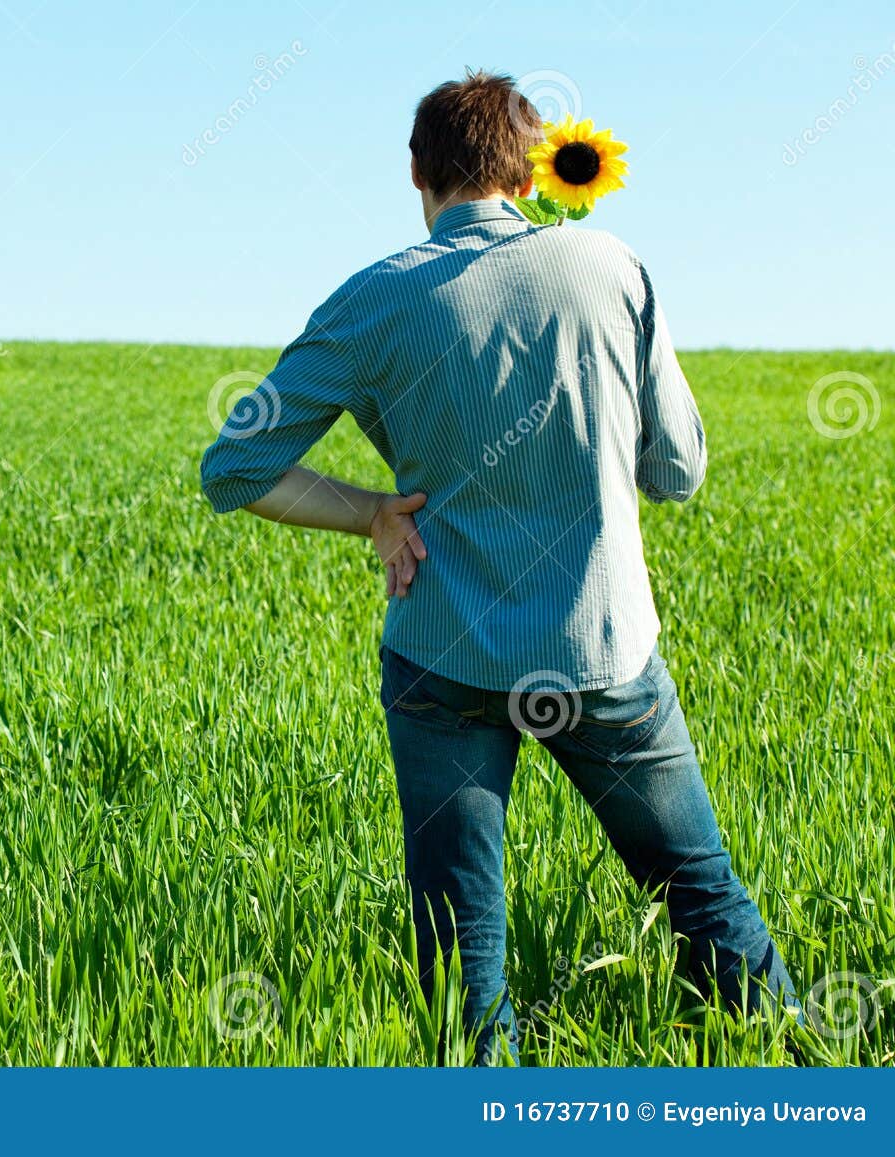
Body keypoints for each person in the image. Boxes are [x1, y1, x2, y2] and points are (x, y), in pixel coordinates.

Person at [198, 70, 797, 1064]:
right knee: (699, 889)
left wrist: (372, 512)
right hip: (602, 652)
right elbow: (678, 469)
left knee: (459, 945)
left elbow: (236, 466)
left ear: (416, 174)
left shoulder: (374, 298)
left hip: (443, 660)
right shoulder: (611, 264)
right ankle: (799, 1076)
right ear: (526, 169)